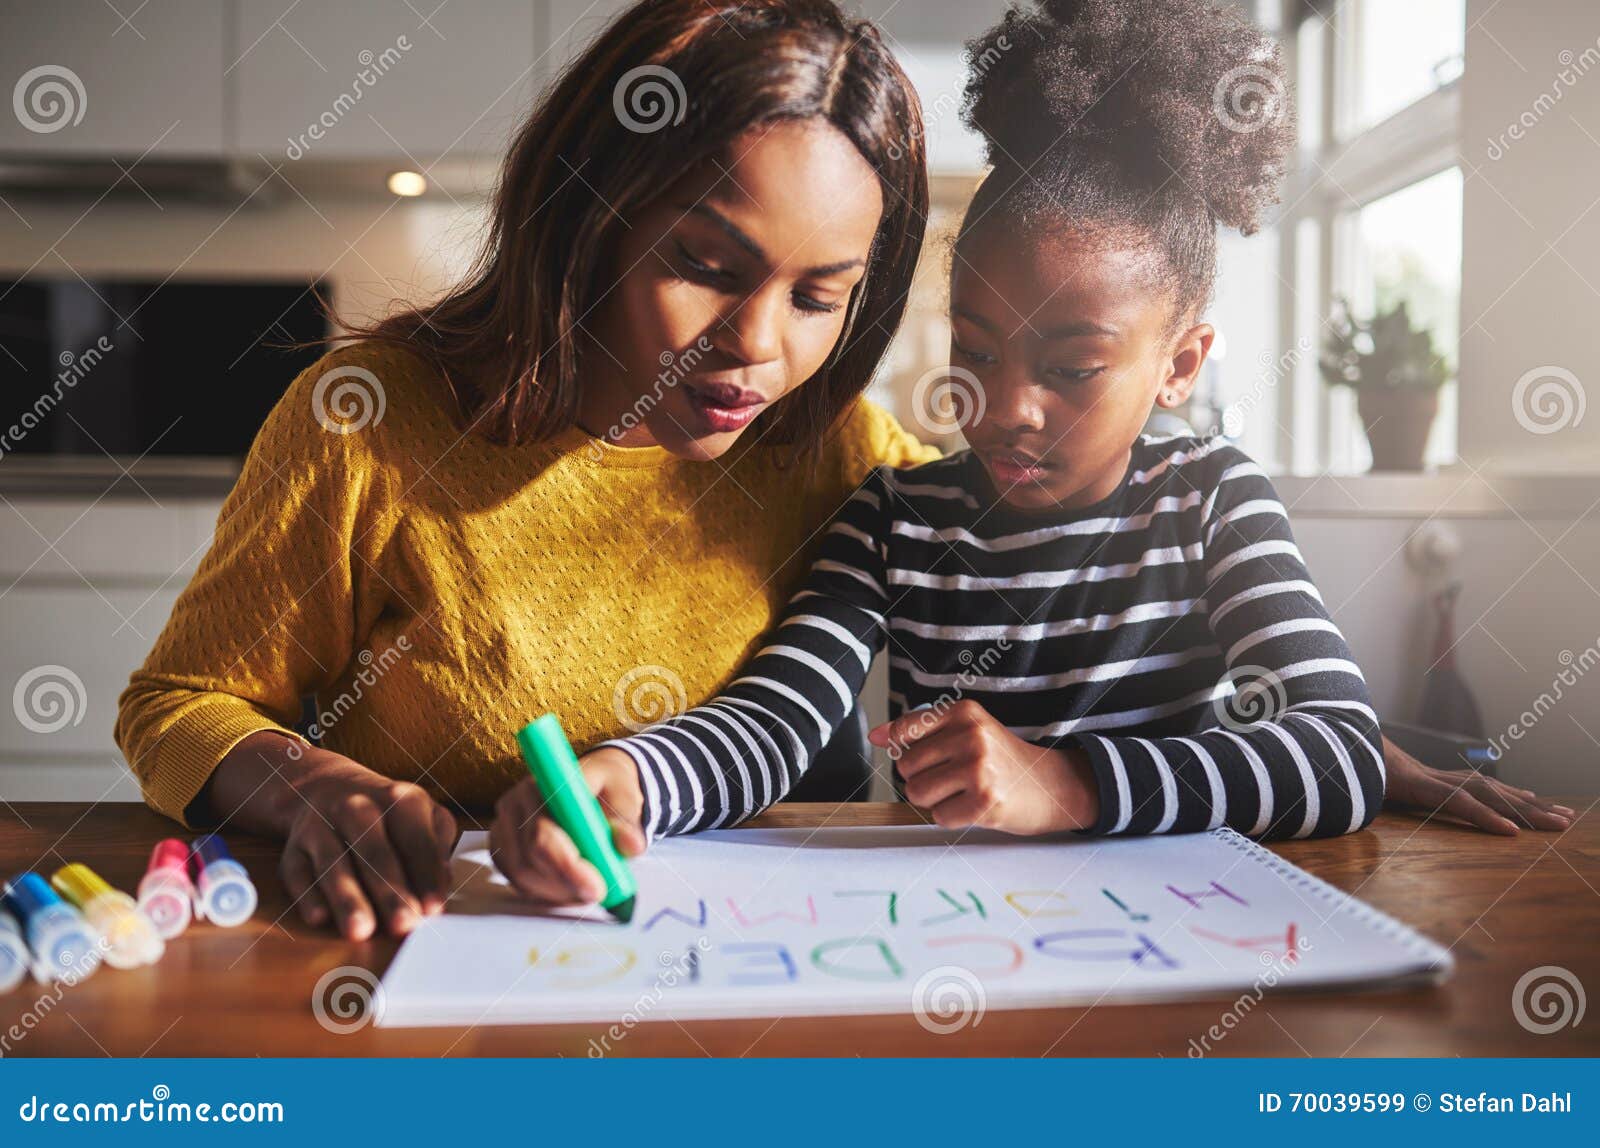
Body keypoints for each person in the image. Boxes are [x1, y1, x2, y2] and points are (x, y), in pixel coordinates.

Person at [490, 0, 1574, 907]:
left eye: (1069, 367)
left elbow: (1336, 749)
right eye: (976, 348)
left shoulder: (1208, 500)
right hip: (955, 946)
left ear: (1179, 363)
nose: (1005, 405)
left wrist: (1063, 784)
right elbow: (779, 717)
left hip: (1178, 945)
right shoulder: (892, 519)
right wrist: (635, 772)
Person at [115, 0, 935, 941]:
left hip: (754, 972)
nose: (756, 345)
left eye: (818, 297)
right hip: (445, 960)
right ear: (588, 218)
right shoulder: (370, 424)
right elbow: (177, 708)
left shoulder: (835, 445)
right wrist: (313, 787)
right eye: (703, 265)